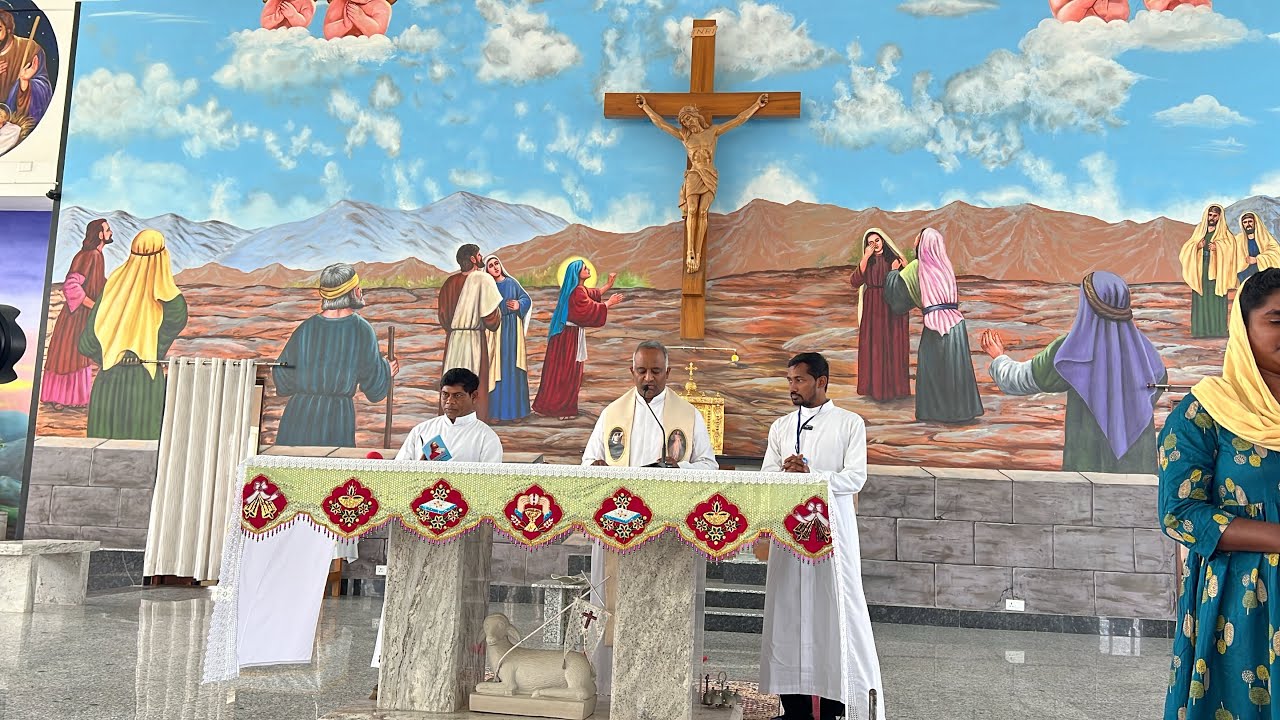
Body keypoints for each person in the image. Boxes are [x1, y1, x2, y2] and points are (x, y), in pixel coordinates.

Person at [1159, 268, 1280, 720]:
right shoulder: (1204, 413)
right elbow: (1180, 513)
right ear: (1243, 328)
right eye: (1276, 320)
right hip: (1244, 601)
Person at [581, 340, 718, 695]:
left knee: (661, 610)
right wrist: (595, 468)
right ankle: (613, 687)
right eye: (641, 370)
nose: (648, 378)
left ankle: (663, 686)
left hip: (665, 531)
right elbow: (587, 463)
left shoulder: (687, 415)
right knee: (617, 608)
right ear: (632, 371)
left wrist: (680, 466)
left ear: (668, 372)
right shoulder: (612, 414)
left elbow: (708, 466)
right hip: (618, 527)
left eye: (655, 371)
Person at [758, 353, 883, 720]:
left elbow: (855, 477)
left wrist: (811, 475)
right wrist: (786, 474)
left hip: (833, 535)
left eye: (799, 380)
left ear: (822, 381)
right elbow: (766, 474)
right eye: (790, 380)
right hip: (789, 534)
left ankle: (834, 707)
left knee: (833, 615)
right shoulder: (781, 427)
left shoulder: (849, 424)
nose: (792, 387)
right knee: (788, 615)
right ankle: (793, 708)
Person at [370, 367, 502, 695]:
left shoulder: (486, 438)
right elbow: (401, 474)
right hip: (416, 532)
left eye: (458, 395)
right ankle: (389, 673)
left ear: (474, 396)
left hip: (462, 536)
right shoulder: (423, 432)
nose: (450, 401)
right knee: (403, 601)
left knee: (452, 609)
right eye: (445, 394)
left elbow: (491, 486)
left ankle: (450, 675)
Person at [980, 272, 1167, 473]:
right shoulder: (1146, 352)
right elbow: (1158, 385)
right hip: (1139, 470)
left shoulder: (1070, 350)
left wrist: (999, 358)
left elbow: (1021, 379)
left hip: (1085, 466)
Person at [635, 93, 768, 273]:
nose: (688, 122)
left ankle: (697, 255)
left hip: (709, 175)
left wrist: (756, 106)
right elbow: (661, 124)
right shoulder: (686, 137)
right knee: (692, 210)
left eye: (689, 118)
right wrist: (645, 107)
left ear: (696, 116)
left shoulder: (713, 132)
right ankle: (690, 251)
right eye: (684, 121)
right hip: (693, 175)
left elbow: (738, 120)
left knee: (703, 211)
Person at [273, 263, 398, 447]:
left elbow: (281, 373)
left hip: (298, 415)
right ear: (350, 292)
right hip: (336, 419)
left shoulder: (306, 328)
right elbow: (373, 388)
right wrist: (387, 370)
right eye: (357, 287)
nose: (360, 291)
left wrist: (307, 384)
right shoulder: (362, 330)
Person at [78, 229, 187, 440]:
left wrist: (113, 356)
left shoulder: (112, 288)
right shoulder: (171, 301)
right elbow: (176, 319)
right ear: (162, 258)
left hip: (107, 382)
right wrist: (145, 349)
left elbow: (87, 343)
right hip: (144, 383)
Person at [884, 227, 983, 423]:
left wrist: (894, 272)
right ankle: (961, 412)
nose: (914, 242)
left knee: (933, 369)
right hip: (955, 326)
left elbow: (898, 297)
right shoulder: (946, 267)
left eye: (917, 239)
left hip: (935, 325)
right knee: (955, 369)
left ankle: (935, 413)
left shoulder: (917, 267)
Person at [531, 260, 623, 419]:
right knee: (567, 373)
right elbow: (588, 309)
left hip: (564, 336)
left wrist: (608, 285)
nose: (588, 269)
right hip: (568, 338)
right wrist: (609, 303)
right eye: (584, 268)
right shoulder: (577, 292)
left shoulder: (577, 289)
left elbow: (593, 294)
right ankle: (563, 410)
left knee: (559, 373)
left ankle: (549, 407)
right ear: (577, 273)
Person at [42, 219, 112, 409]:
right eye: (107, 229)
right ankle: (59, 398)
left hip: (84, 316)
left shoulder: (97, 256)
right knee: (67, 355)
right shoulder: (88, 256)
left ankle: (75, 398)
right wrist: (94, 306)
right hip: (74, 317)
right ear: (99, 234)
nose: (110, 232)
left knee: (80, 356)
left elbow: (95, 281)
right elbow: (71, 286)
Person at [439, 244, 502, 422]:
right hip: (474, 338)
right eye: (479, 255)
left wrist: (455, 330)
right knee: (475, 381)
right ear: (473, 259)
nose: (482, 257)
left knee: (450, 380)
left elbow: (443, 317)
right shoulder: (483, 279)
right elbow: (491, 317)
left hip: (454, 340)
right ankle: (476, 420)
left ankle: (449, 420)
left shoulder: (449, 283)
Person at [849, 228, 911, 402]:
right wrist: (865, 257)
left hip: (891, 305)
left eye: (877, 240)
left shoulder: (894, 260)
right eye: (870, 242)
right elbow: (855, 281)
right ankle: (874, 389)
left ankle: (895, 389)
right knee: (875, 346)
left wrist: (900, 268)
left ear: (883, 241)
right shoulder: (866, 262)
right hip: (873, 307)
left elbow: (907, 279)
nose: (874, 245)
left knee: (892, 344)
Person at [484, 254, 532, 422]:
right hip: (496, 331)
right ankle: (496, 413)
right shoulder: (488, 286)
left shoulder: (511, 283)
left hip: (513, 331)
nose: (495, 267)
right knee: (496, 369)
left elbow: (526, 298)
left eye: (497, 263)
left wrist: (519, 305)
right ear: (487, 270)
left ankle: (517, 412)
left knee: (513, 369)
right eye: (491, 265)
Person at [1178, 204, 1235, 339]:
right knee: (1201, 299)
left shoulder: (1224, 233)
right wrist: (1197, 246)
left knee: (1216, 299)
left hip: (1217, 273)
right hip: (1201, 270)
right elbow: (1186, 248)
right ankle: (1200, 331)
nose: (1212, 218)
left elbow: (1232, 249)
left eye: (1215, 216)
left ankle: (1218, 331)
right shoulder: (1200, 230)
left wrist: (1218, 247)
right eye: (1210, 215)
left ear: (1219, 217)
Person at [0, 10, 52, 126]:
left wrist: (24, 82)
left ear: (8, 29)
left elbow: (44, 89)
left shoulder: (29, 49)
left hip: (15, 124)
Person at [1232, 211, 1280, 286]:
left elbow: (1276, 253)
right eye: (1245, 222)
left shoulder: (1266, 237)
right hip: (1244, 275)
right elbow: (1228, 251)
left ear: (1255, 222)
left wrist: (1257, 259)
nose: (1248, 224)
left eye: (1250, 221)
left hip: (1262, 274)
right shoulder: (1237, 239)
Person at [323, 0, 393, 39]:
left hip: (367, 51)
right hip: (341, 49)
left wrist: (362, 19)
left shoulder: (382, 6)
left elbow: (378, 35)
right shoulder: (338, 2)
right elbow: (328, 33)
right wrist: (344, 25)